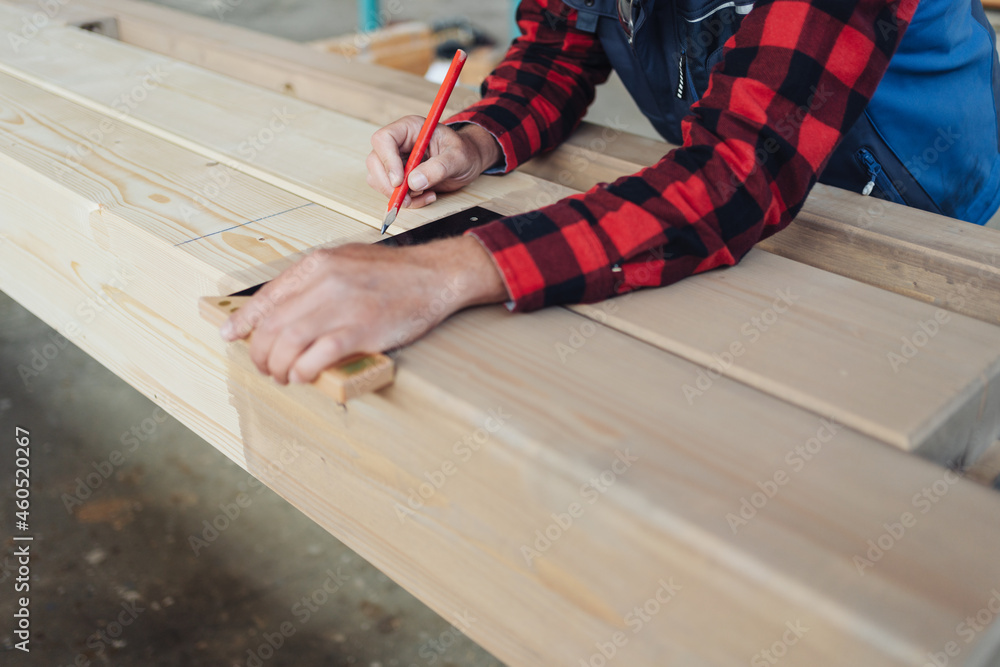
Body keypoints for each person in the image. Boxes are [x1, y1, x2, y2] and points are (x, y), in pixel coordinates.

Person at [220, 0, 1000, 385]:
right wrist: (478, 137)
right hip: (736, 199)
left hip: (917, 214)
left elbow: (738, 174)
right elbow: (556, 47)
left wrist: (441, 270)